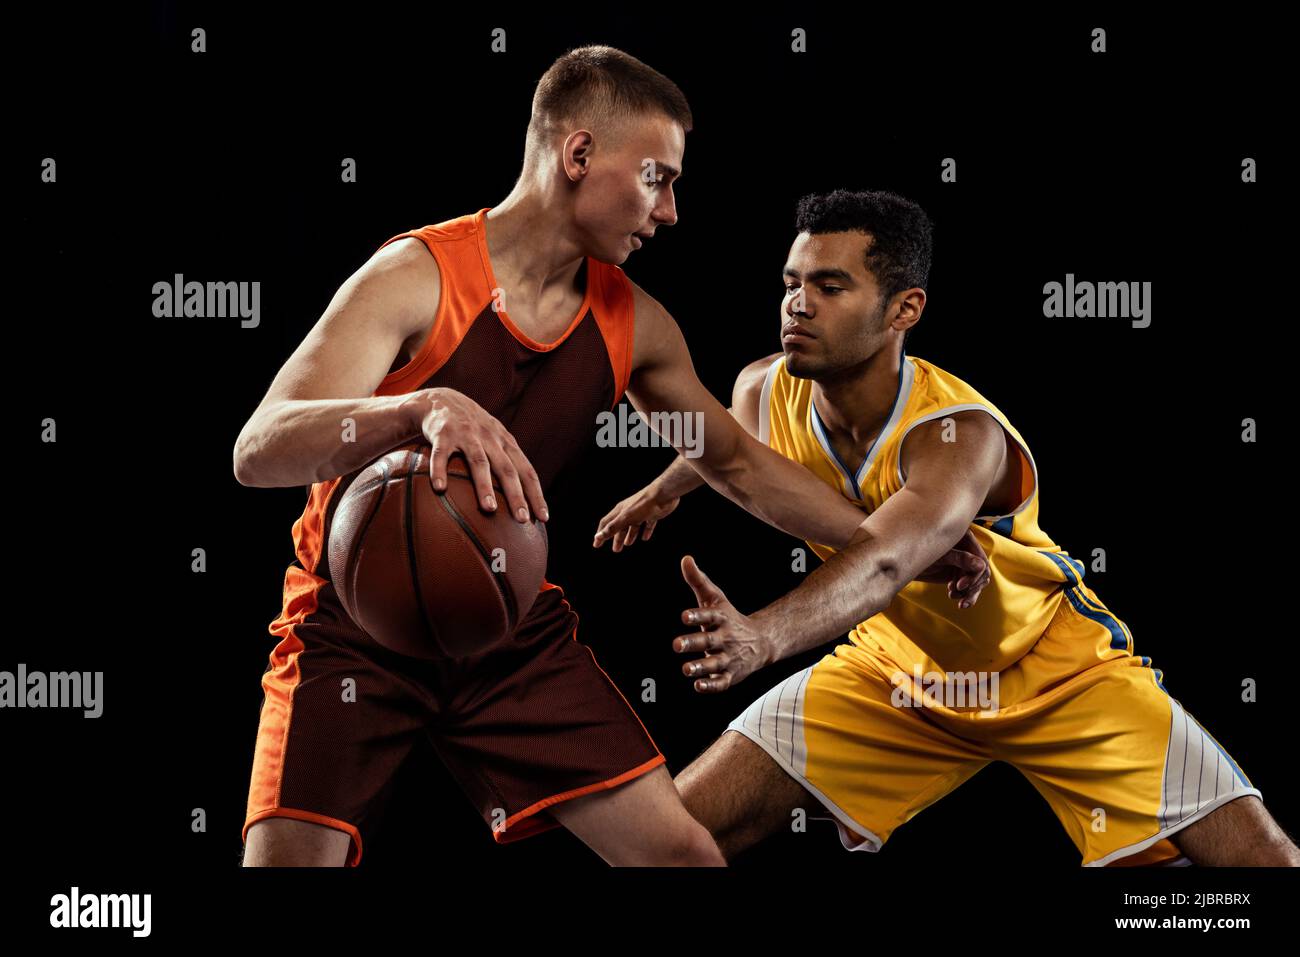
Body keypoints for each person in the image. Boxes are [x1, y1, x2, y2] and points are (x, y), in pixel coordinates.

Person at [233, 49, 984, 867]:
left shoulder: (635, 324)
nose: (669, 213)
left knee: (683, 856)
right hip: (351, 625)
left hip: (505, 621)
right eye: (657, 178)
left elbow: (736, 465)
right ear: (579, 154)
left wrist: (904, 547)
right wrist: (419, 406)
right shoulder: (419, 276)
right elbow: (259, 447)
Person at [596, 189, 1300, 866]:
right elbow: (734, 450)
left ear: (905, 308)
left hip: (1055, 669)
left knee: (1263, 860)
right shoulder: (764, 387)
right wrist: (663, 490)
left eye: (830, 287)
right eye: (791, 282)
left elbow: (882, 563)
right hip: (895, 669)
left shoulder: (960, 435)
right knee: (669, 835)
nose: (797, 304)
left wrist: (763, 635)